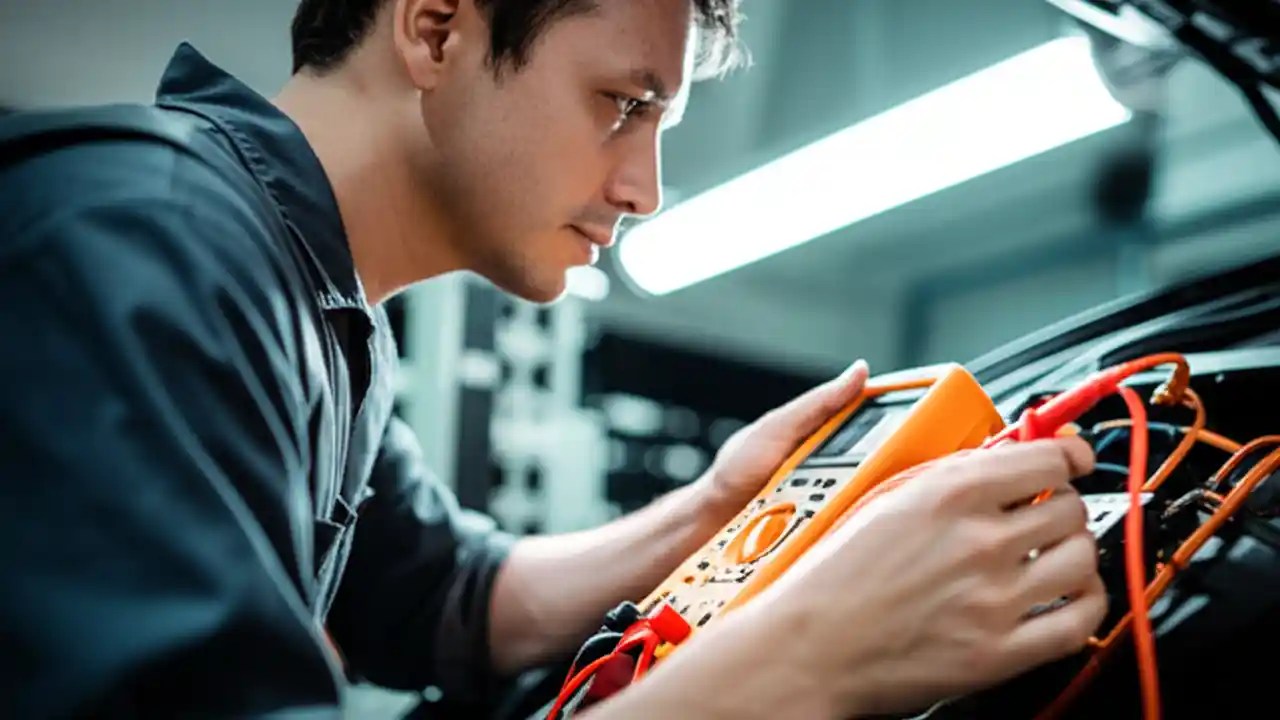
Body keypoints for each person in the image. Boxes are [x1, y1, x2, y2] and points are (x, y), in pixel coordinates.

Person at [0, 0, 1106, 717]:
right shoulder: (146, 241)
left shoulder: (316, 303)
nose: (645, 188)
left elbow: (446, 598)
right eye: (624, 106)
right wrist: (807, 656)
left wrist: (714, 514)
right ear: (435, 30)